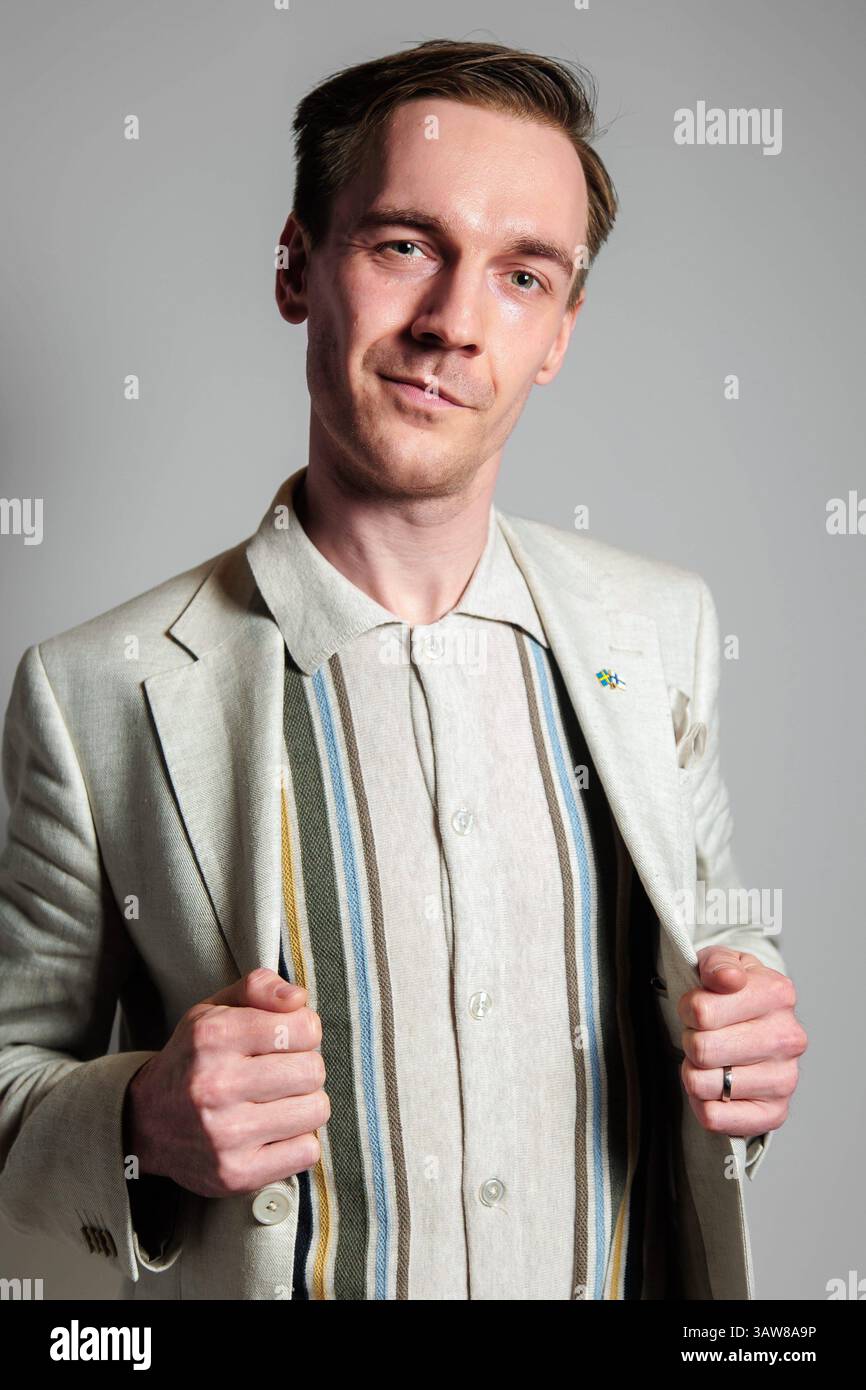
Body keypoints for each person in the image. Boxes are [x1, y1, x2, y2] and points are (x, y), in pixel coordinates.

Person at [0, 38, 805, 1301]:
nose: (451, 324)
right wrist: (136, 1120)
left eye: (521, 274)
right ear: (295, 265)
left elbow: (707, 937)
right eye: (402, 245)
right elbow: (11, 1082)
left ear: (558, 333)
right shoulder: (94, 688)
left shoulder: (663, 630)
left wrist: (744, 1028)